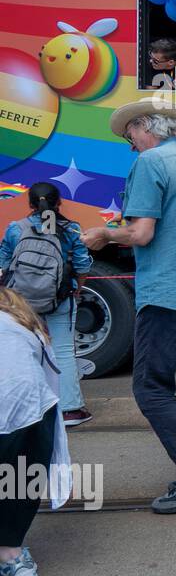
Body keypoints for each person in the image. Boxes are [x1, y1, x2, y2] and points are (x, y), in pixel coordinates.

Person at [83, 97, 176, 514]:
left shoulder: (151, 163)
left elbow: (142, 233)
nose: (130, 144)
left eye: (130, 135)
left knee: (150, 387)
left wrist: (105, 236)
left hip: (168, 295)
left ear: (146, 126)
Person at [0, 182, 94, 426]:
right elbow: (83, 266)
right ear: (59, 203)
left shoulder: (15, 229)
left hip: (21, 304)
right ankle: (71, 410)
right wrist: (76, 289)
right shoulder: (71, 229)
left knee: (24, 351)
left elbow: (4, 264)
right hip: (59, 299)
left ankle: (30, 409)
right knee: (62, 351)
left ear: (30, 204)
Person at [0, 289, 73, 576]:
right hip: (30, 406)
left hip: (21, 403)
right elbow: (49, 373)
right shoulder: (26, 324)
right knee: (21, 480)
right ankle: (12, 555)